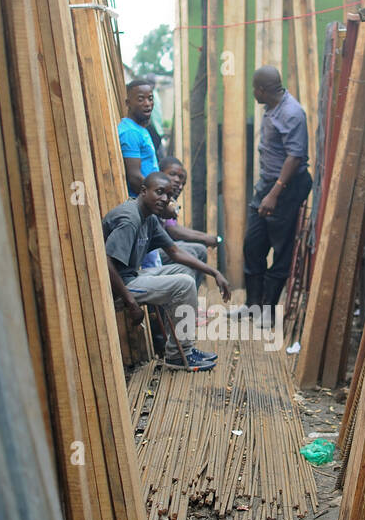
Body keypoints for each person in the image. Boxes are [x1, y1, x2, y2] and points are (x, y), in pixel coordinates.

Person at [105, 171, 230, 370]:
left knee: (183, 270)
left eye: (169, 196)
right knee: (184, 283)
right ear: (144, 191)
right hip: (117, 287)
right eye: (160, 192)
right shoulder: (130, 218)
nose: (165, 199)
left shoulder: (150, 218)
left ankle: (181, 348)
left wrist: (214, 272)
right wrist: (130, 302)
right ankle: (179, 356)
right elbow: (107, 262)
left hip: (132, 278)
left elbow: (175, 251)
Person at [242, 65, 312, 325]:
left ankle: (268, 312)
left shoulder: (292, 113)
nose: (253, 92)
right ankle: (252, 307)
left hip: (286, 188)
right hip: (267, 184)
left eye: (253, 88)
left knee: (281, 248)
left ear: (261, 90)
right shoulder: (271, 107)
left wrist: (274, 194)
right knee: (253, 244)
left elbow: (295, 156)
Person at [143, 156, 220, 282]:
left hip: (161, 248)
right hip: (151, 252)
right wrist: (205, 238)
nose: (178, 182)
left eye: (182, 181)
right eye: (172, 174)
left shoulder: (169, 202)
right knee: (192, 255)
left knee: (198, 251)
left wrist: (207, 237)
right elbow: (173, 230)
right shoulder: (157, 200)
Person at [118, 78, 159, 196]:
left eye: (150, 98)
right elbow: (135, 178)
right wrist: (160, 200)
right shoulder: (130, 132)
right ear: (128, 103)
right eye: (141, 99)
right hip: (140, 204)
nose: (147, 104)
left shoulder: (140, 129)